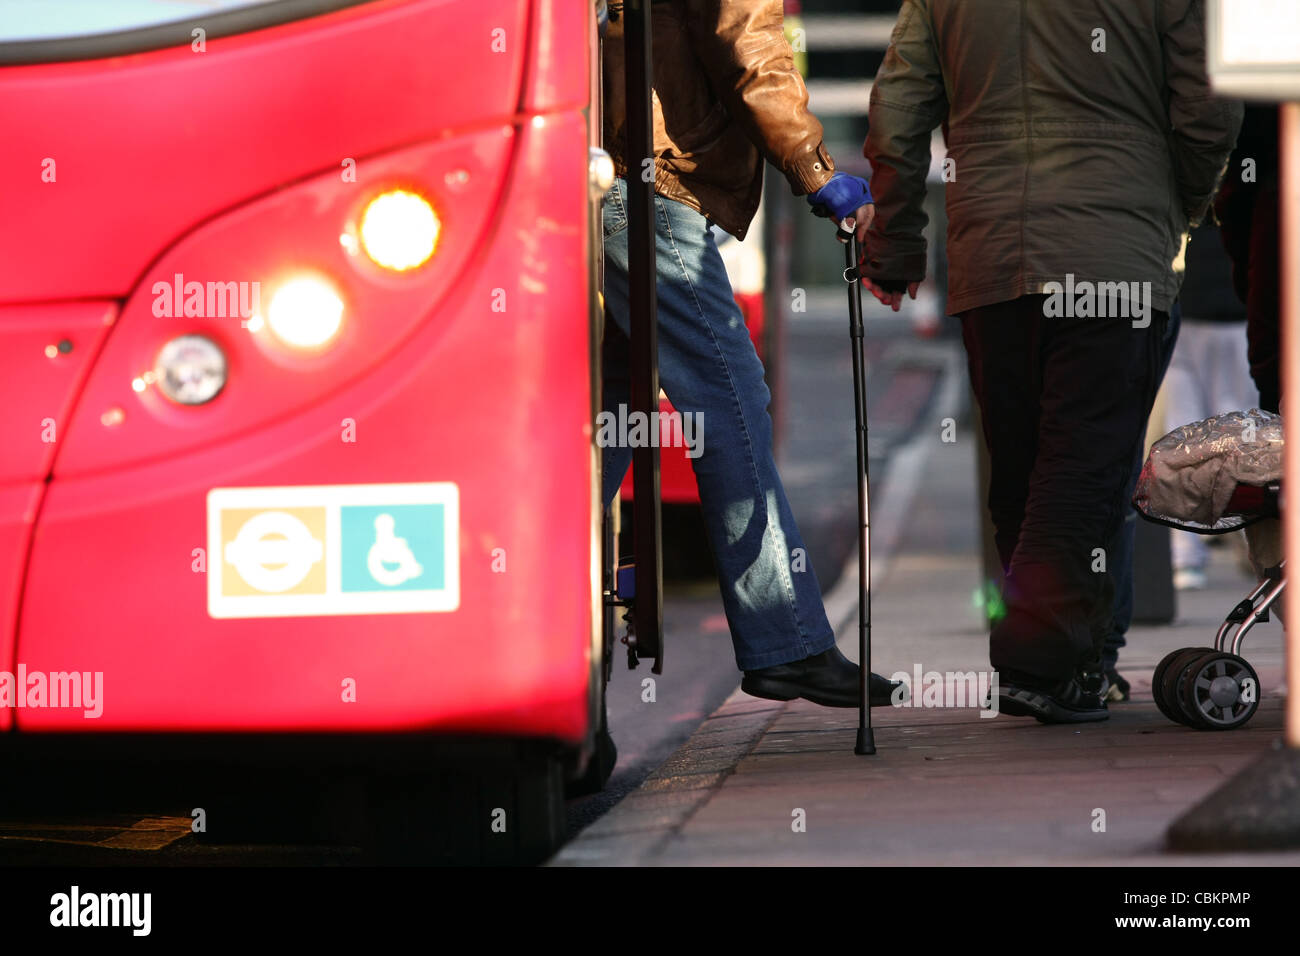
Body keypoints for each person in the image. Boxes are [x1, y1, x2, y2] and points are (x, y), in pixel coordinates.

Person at [862, 0, 1242, 722]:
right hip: (1115, 251)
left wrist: (899, 241)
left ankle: (1076, 660)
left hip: (993, 253)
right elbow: (1207, 108)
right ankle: (1041, 657)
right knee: (1086, 464)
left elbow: (899, 105)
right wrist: (1179, 209)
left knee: (1024, 469)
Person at [601, 0, 896, 707]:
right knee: (729, 400)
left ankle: (532, 615)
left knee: (603, 422)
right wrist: (817, 171)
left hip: (604, 177)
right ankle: (785, 644)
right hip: (654, 186)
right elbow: (751, 44)